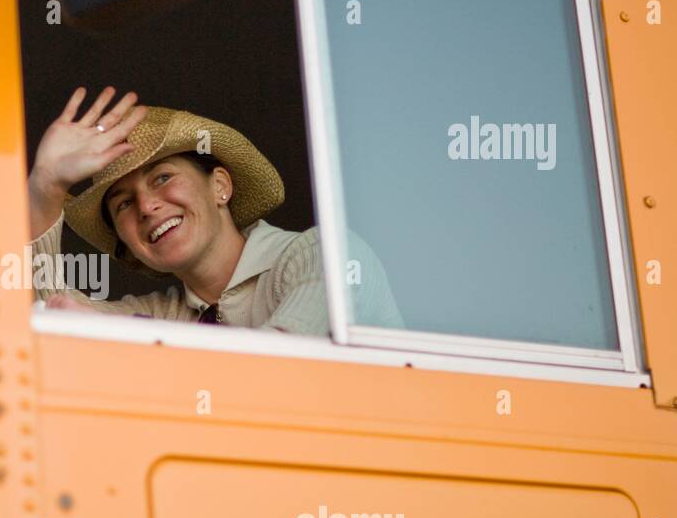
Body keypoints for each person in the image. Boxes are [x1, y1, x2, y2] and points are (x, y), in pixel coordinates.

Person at [26, 86, 403, 333]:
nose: (146, 205)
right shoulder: (165, 315)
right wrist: (46, 185)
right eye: (123, 203)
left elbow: (277, 371)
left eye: (161, 178)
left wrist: (131, 355)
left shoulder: (325, 255)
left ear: (220, 186)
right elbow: (52, 317)